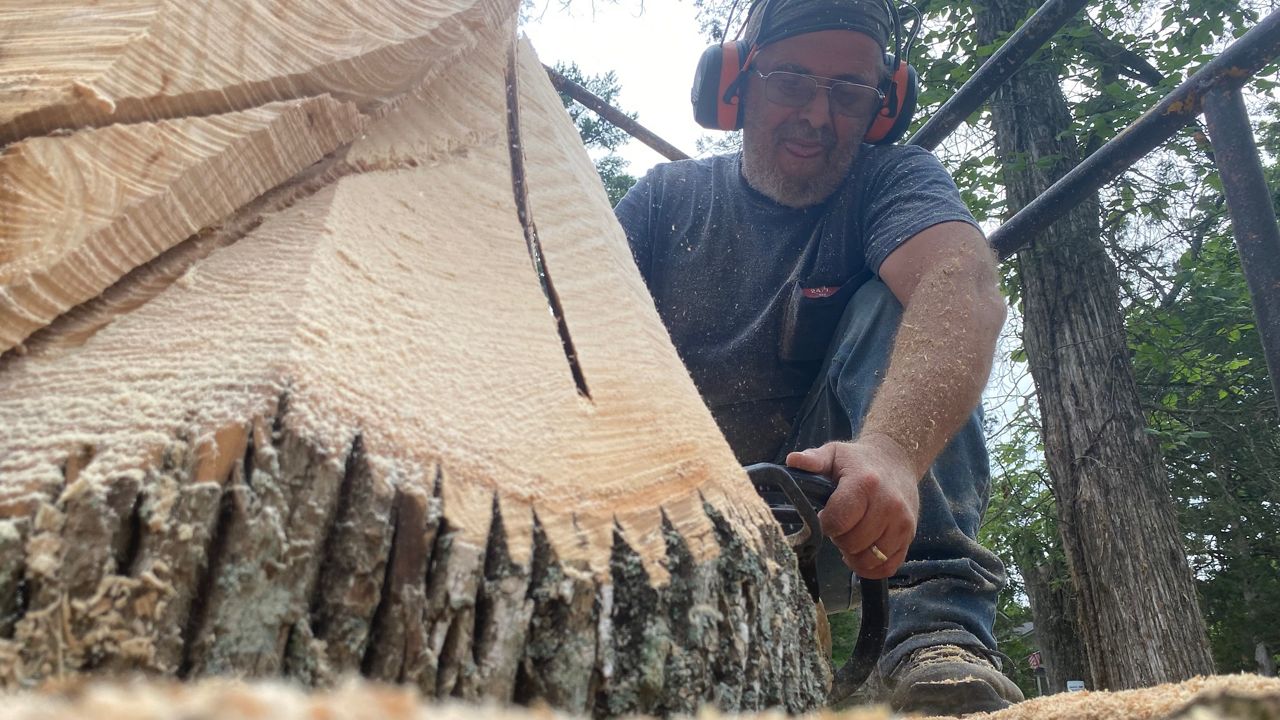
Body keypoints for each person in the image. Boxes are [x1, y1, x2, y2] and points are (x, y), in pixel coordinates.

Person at [612, 0, 1024, 714]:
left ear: (885, 103)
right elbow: (568, 326)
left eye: (849, 91)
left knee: (900, 303)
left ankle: (936, 633)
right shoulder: (663, 201)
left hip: (851, 516)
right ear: (737, 84)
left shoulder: (891, 179)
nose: (817, 115)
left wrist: (892, 452)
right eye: (791, 81)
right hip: (669, 517)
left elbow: (961, 283)